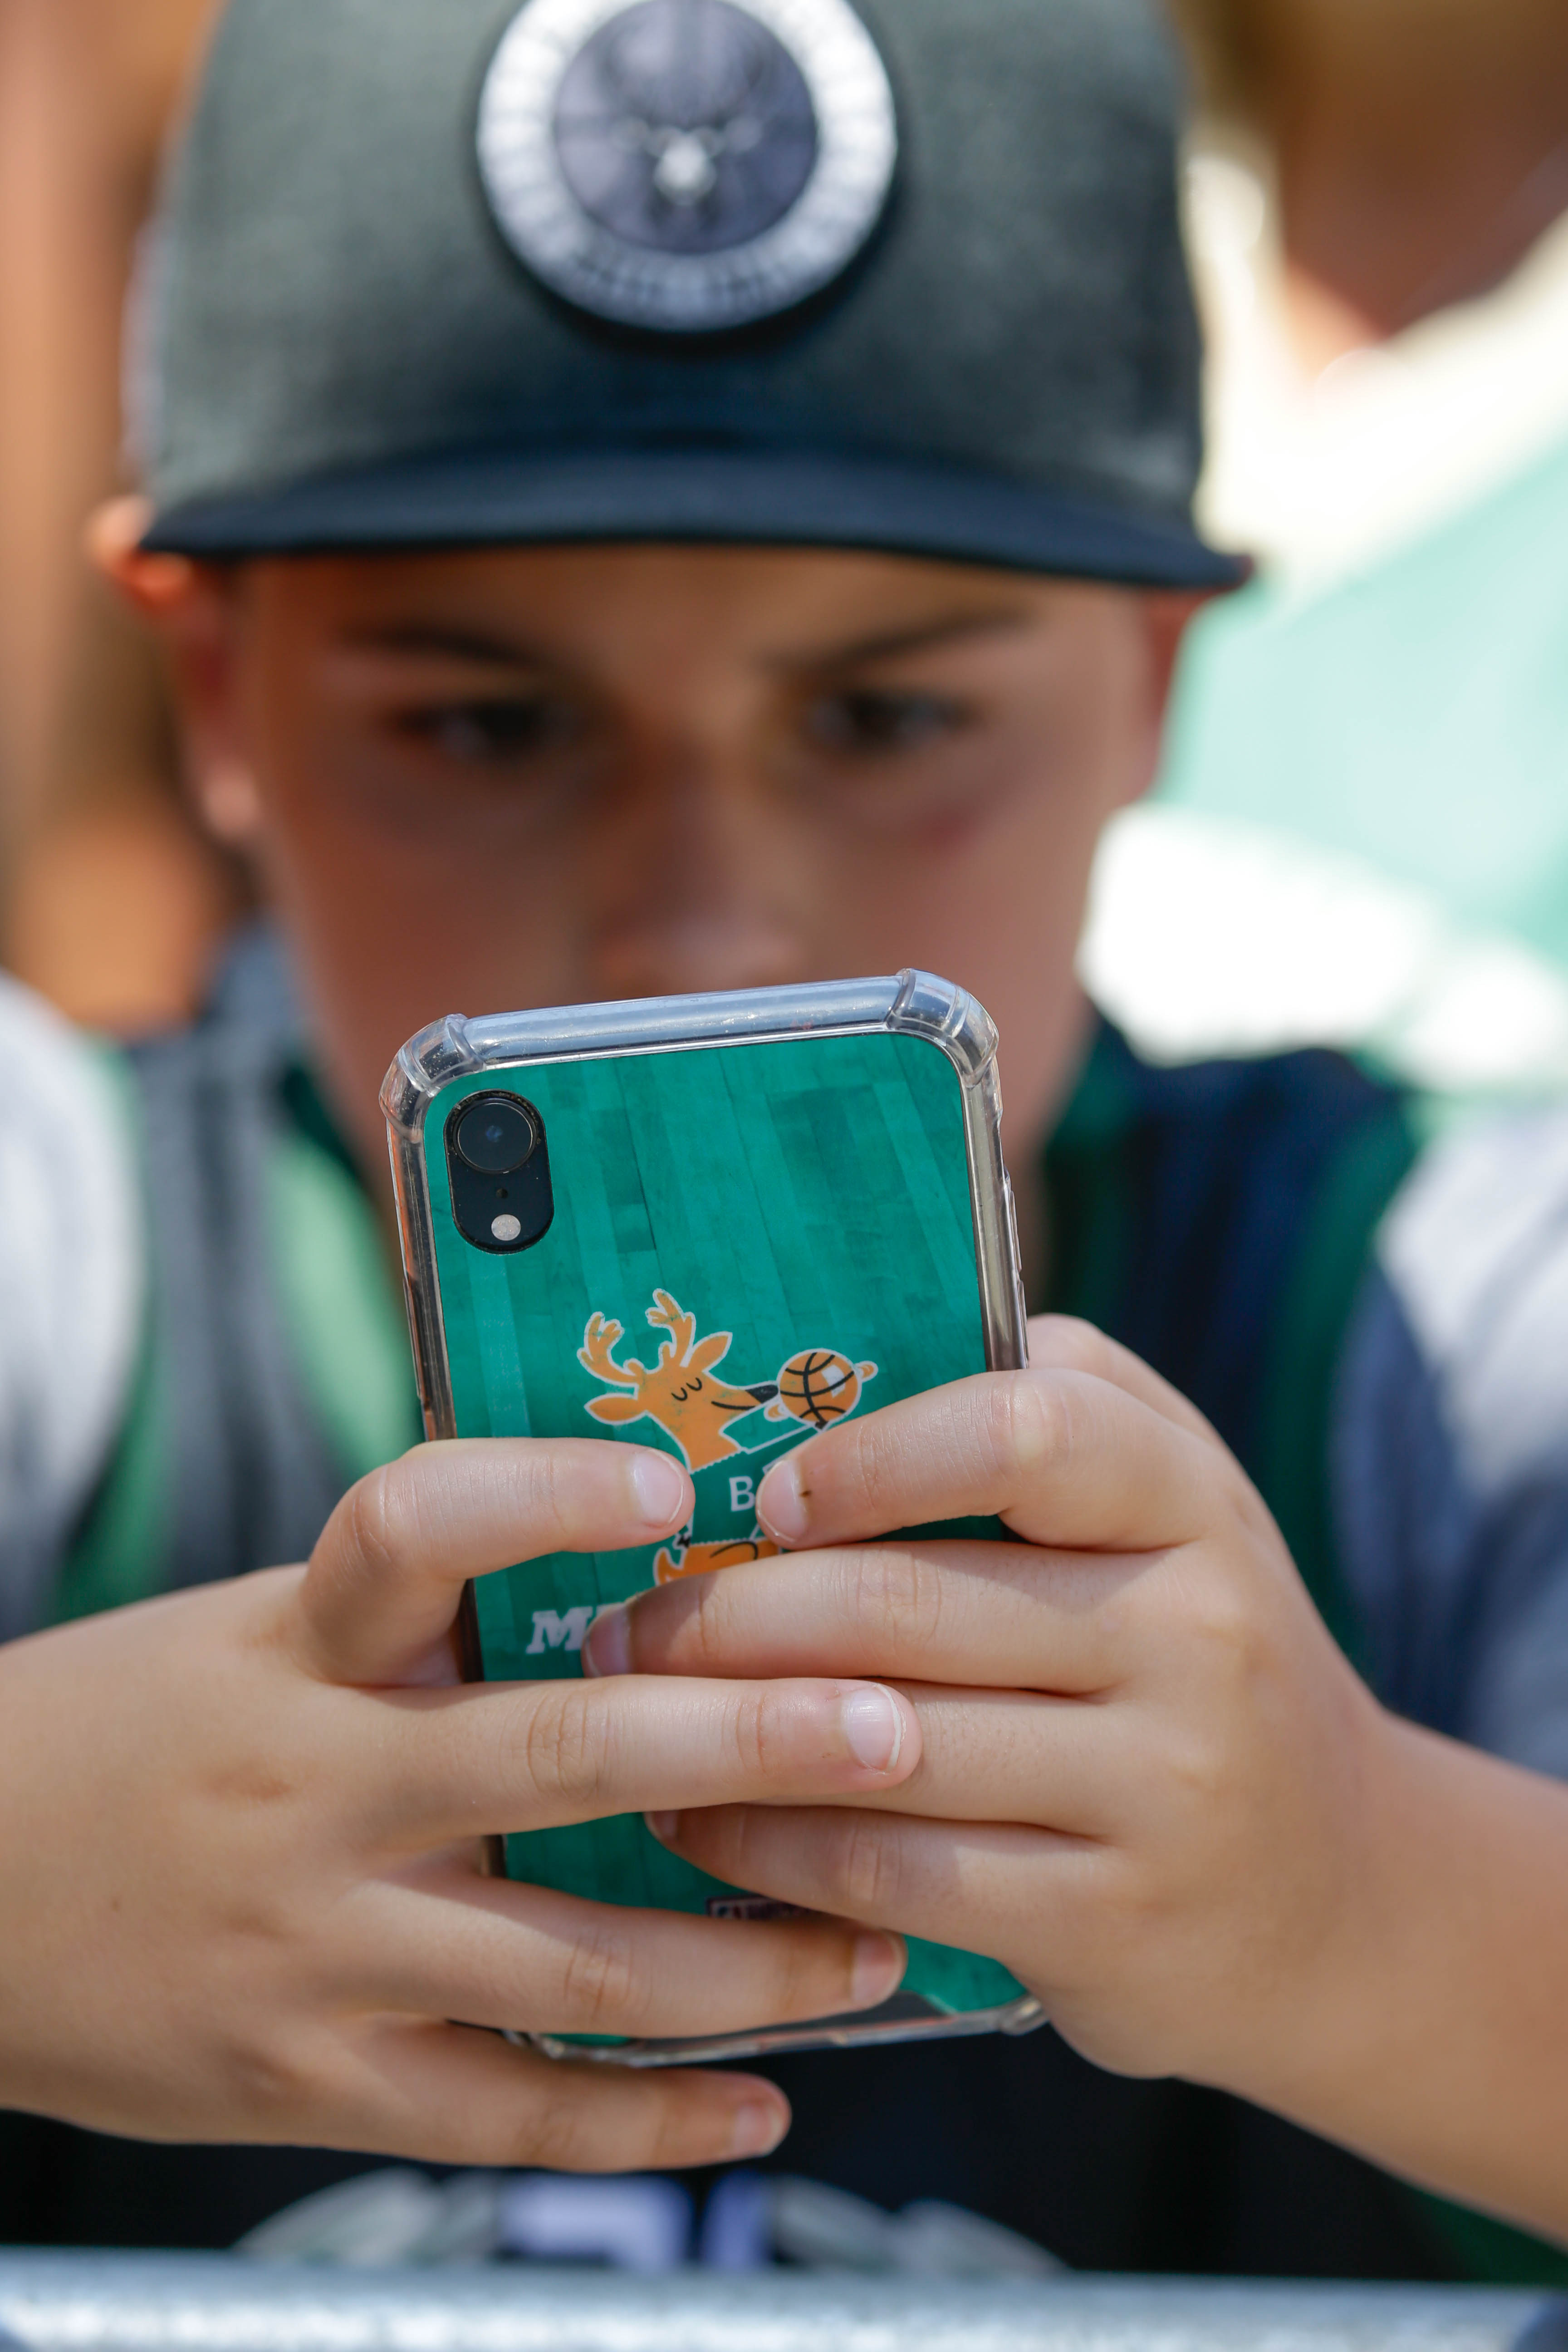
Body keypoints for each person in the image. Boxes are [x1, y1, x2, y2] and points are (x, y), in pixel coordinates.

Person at [5, 0, 1568, 2281]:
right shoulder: (65, 1271)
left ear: (1152, 681)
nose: (695, 913)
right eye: (486, 719)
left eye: (883, 712)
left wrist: (1367, 1898)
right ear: (215, 687)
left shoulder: (1450, 1319)